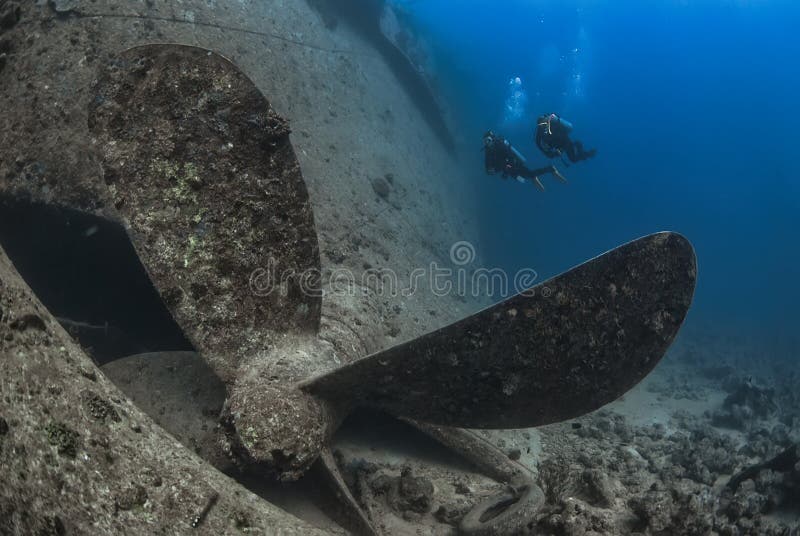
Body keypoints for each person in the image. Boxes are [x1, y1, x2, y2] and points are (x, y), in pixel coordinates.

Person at [483, 130, 566, 191]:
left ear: (492, 139)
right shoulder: (488, 152)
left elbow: (511, 156)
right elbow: (488, 168)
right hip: (509, 170)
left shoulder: (500, 145)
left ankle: (550, 169)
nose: (487, 143)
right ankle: (533, 177)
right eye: (485, 141)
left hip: (515, 164)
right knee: (523, 179)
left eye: (488, 140)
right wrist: (496, 170)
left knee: (528, 174)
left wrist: (505, 169)